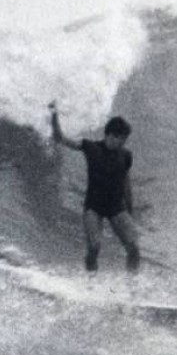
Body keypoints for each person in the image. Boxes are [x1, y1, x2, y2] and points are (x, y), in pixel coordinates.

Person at [50, 102, 140, 272]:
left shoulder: (126, 155)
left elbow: (126, 184)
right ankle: (91, 280)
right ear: (111, 135)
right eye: (122, 139)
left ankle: (132, 282)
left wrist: (129, 210)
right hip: (94, 206)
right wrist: (54, 116)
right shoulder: (90, 147)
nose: (123, 143)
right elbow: (60, 138)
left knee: (134, 248)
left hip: (116, 206)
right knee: (94, 246)